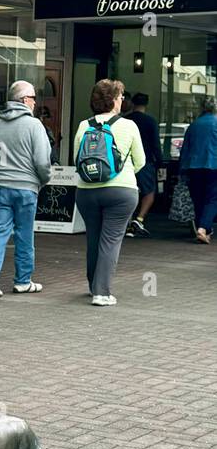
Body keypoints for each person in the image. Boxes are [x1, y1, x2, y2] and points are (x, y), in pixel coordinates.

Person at [74, 79, 146, 306]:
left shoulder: (84, 125)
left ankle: (93, 284)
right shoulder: (129, 126)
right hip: (121, 191)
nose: (122, 100)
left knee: (94, 237)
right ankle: (102, 292)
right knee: (111, 240)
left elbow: (77, 159)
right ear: (114, 101)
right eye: (121, 97)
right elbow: (141, 161)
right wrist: (123, 173)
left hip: (86, 191)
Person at [0, 80, 52, 298]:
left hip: (0, 186)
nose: (35, 103)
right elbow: (42, 162)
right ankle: (22, 280)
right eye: (33, 99)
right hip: (26, 188)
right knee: (24, 234)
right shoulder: (34, 126)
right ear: (25, 100)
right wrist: (43, 180)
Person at [179, 95, 217, 244]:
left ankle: (203, 229)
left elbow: (185, 149)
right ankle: (203, 228)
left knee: (198, 198)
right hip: (214, 165)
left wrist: (181, 169)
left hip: (193, 166)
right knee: (213, 198)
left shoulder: (194, 125)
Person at [126, 92, 164, 236]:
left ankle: (128, 220)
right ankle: (139, 219)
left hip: (127, 161)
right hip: (146, 161)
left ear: (133, 103)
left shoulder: (126, 120)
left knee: (130, 191)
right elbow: (155, 144)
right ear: (146, 104)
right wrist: (160, 163)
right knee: (149, 192)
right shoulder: (151, 121)